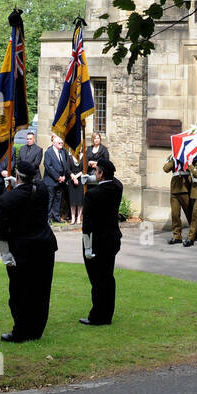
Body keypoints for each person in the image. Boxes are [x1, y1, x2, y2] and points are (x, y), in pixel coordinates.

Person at [0, 159, 57, 341]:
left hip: (22, 250)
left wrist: (5, 254)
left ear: (17, 176)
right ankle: (36, 330)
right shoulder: (42, 190)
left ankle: (21, 331)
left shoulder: (7, 199)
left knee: (19, 293)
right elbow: (35, 184)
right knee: (41, 291)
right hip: (44, 246)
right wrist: (18, 183)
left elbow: (2, 232)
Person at [80, 157, 123, 325]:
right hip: (112, 238)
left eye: (96, 171)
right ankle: (107, 314)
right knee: (107, 277)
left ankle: (98, 316)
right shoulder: (118, 187)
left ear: (101, 174)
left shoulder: (92, 194)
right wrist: (93, 177)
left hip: (97, 241)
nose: (93, 173)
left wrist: (88, 247)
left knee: (97, 280)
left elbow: (87, 224)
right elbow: (114, 179)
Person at [41, 134, 74, 224]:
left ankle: (56, 216)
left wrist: (63, 177)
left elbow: (65, 166)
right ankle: (47, 218)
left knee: (58, 200)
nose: (61, 143)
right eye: (59, 142)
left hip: (61, 181)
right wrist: (58, 177)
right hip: (51, 181)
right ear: (54, 143)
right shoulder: (48, 152)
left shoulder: (62, 152)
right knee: (50, 199)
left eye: (62, 142)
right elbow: (48, 166)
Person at [164, 153, 190, 245]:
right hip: (174, 188)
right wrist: (174, 160)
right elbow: (165, 169)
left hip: (185, 187)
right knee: (175, 214)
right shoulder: (172, 156)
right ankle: (177, 236)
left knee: (189, 212)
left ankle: (195, 233)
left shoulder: (188, 153)